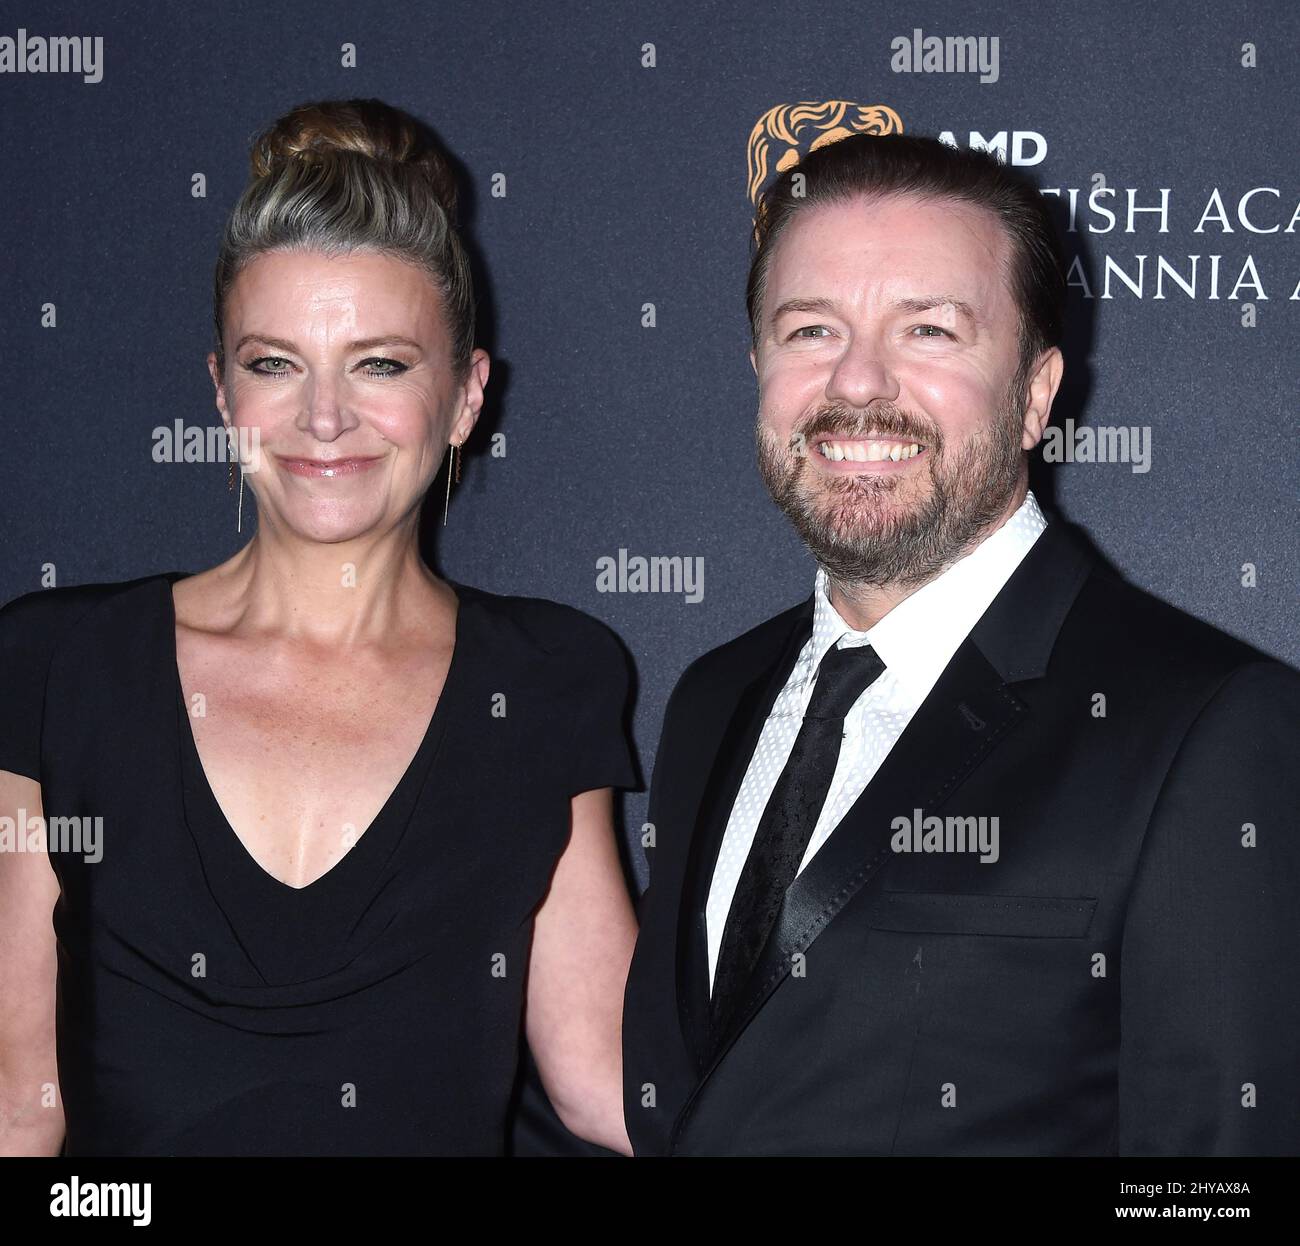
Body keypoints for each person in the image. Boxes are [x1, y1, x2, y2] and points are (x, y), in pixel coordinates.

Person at [621, 132, 1300, 1156]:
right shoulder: (713, 698)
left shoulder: (1205, 724)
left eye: (929, 331)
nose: (858, 384)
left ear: (1035, 394)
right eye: (810, 331)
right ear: (757, 365)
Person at [0, 98, 638, 1157]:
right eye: (274, 363)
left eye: (381, 363)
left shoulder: (546, 679)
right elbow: (20, 1110)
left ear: (468, 393)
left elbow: (607, 1085)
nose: (325, 417)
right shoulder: (57, 669)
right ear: (219, 389)